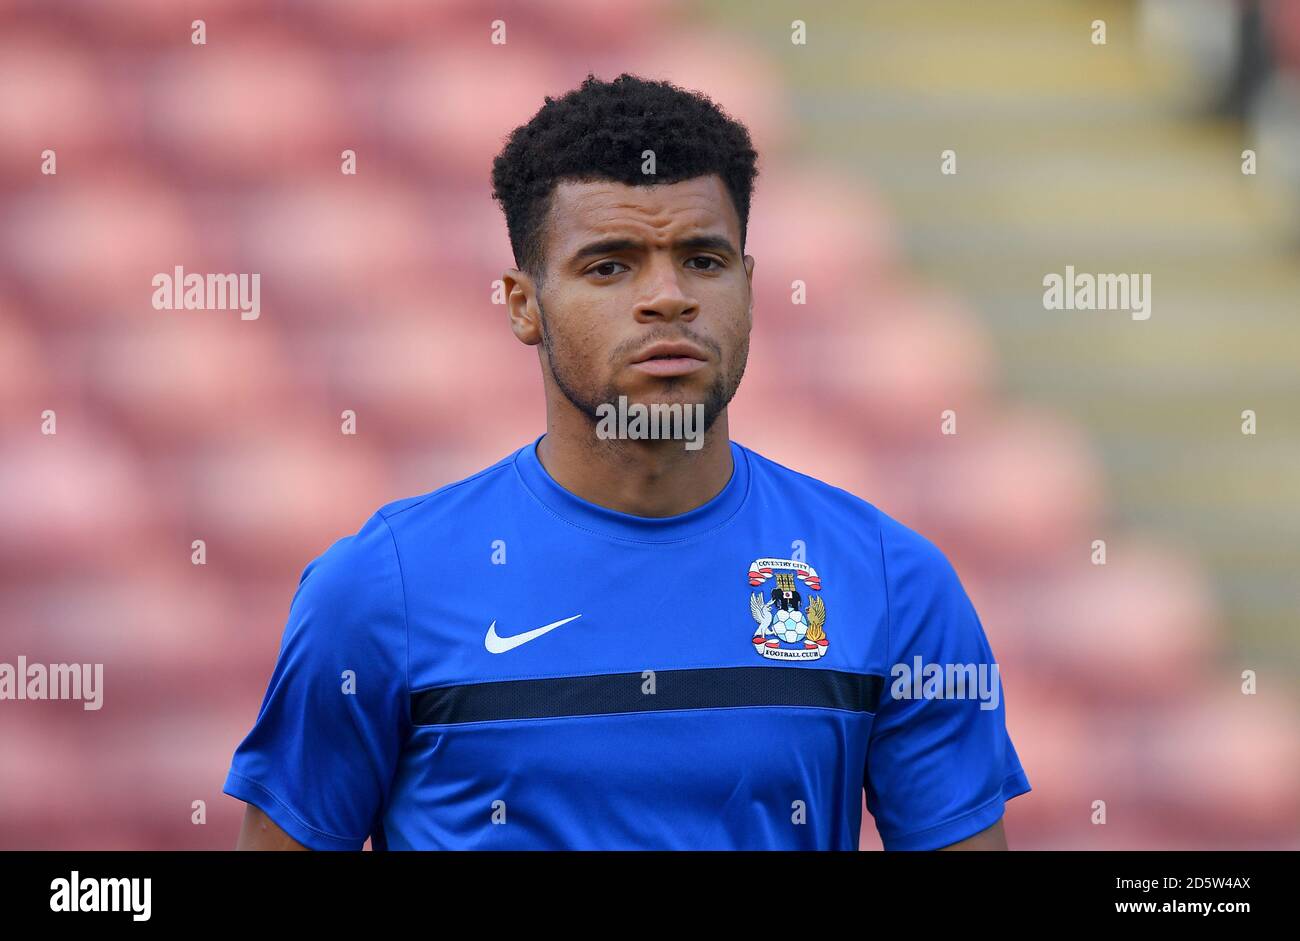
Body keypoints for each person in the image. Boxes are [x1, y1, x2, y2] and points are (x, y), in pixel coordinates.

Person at [224, 72, 1030, 851]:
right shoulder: (381, 588)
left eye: (704, 260)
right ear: (523, 305)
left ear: (749, 285)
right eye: (610, 265)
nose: (668, 296)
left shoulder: (889, 578)